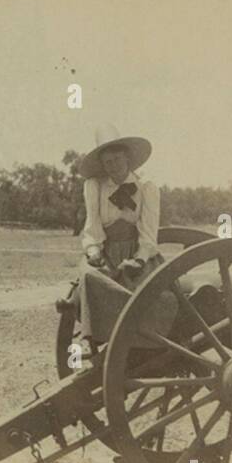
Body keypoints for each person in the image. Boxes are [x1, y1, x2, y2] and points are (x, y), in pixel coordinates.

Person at [75, 126, 162, 340]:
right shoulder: (95, 187)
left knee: (149, 294)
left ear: (127, 158)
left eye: (117, 159)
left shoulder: (146, 188)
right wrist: (94, 250)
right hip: (106, 254)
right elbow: (92, 226)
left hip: (137, 252)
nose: (113, 166)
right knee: (89, 276)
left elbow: (149, 231)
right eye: (107, 162)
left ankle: (145, 340)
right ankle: (104, 335)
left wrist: (140, 260)